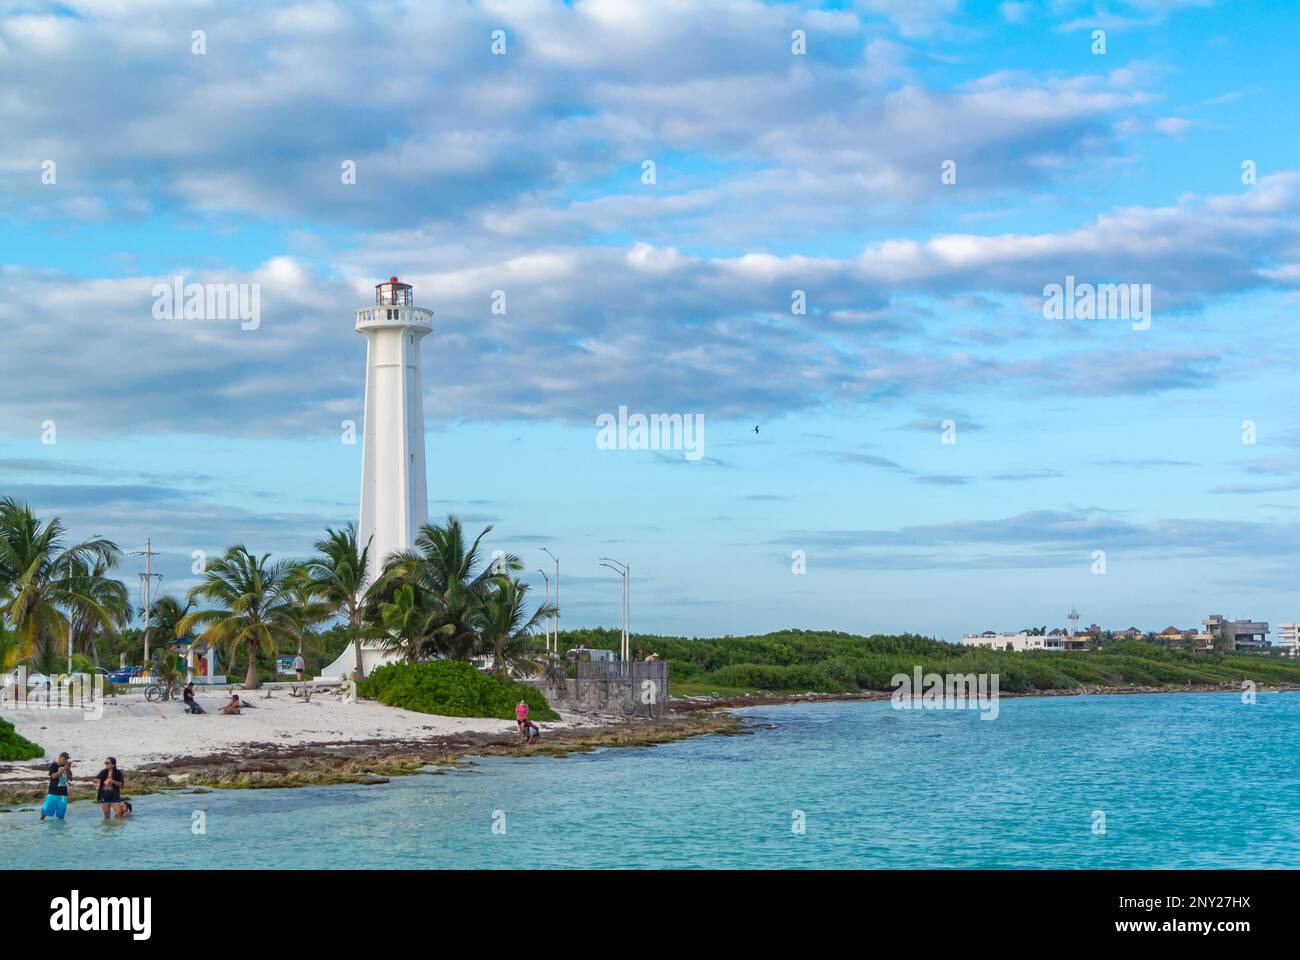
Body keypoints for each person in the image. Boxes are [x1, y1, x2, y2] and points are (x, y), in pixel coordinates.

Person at [39, 752, 71, 822]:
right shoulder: (54, 765)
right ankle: (41, 821)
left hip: (63, 794)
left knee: (61, 812)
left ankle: (60, 827)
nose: (65, 760)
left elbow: (70, 778)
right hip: (53, 792)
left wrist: (68, 770)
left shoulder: (66, 767)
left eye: (66, 759)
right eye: (64, 759)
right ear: (60, 757)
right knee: (46, 809)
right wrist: (63, 770)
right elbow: (53, 776)